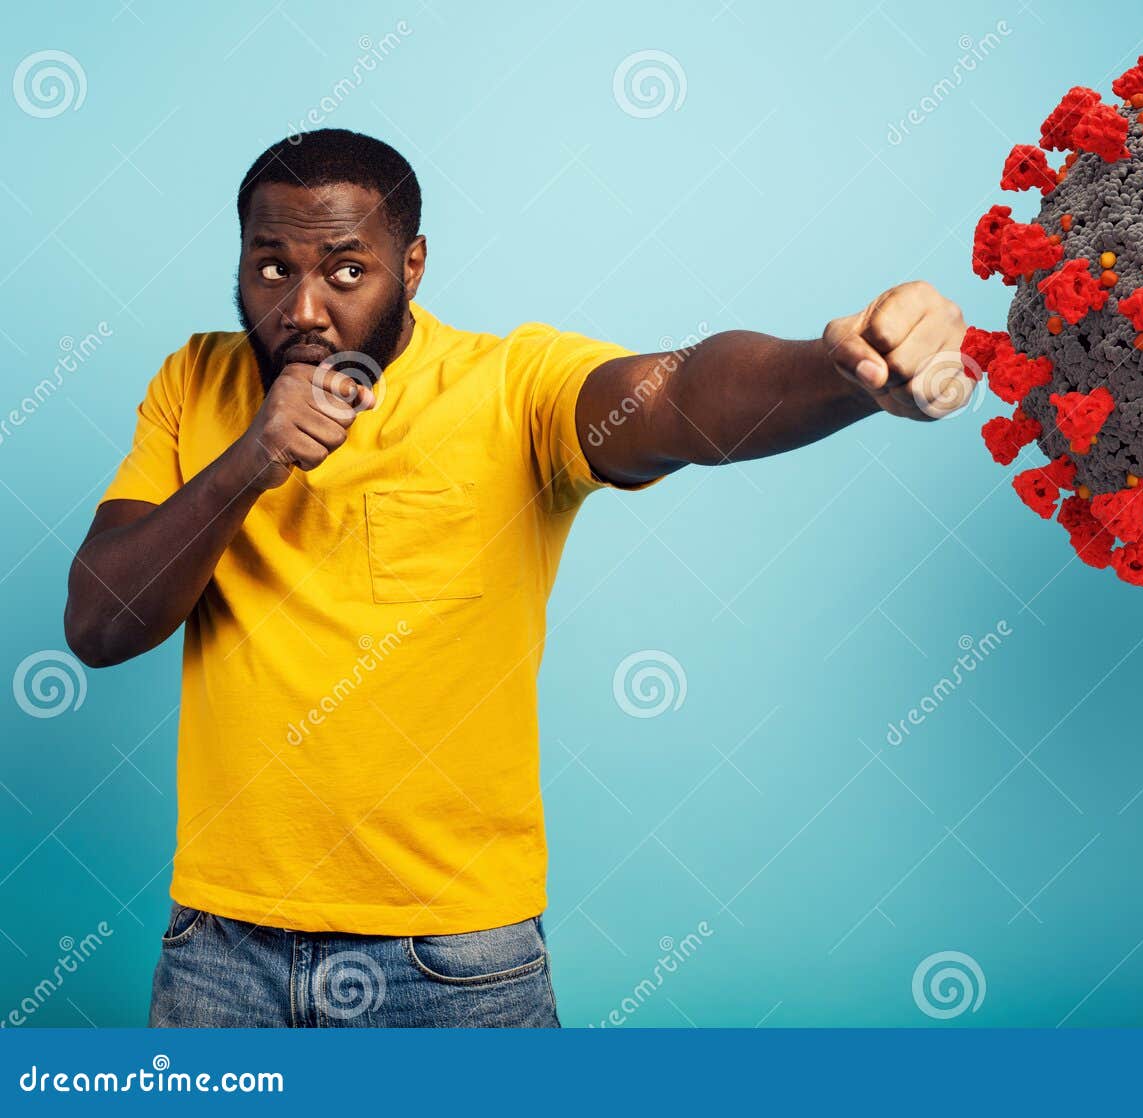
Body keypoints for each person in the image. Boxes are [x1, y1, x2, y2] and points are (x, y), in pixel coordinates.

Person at [62, 129, 970, 1027]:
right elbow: (100, 626)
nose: (302, 309)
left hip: (452, 959)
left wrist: (839, 371)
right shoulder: (195, 379)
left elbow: (682, 398)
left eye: (346, 271)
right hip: (220, 949)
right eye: (270, 268)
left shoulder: (511, 387)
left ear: (410, 266)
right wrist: (248, 461)